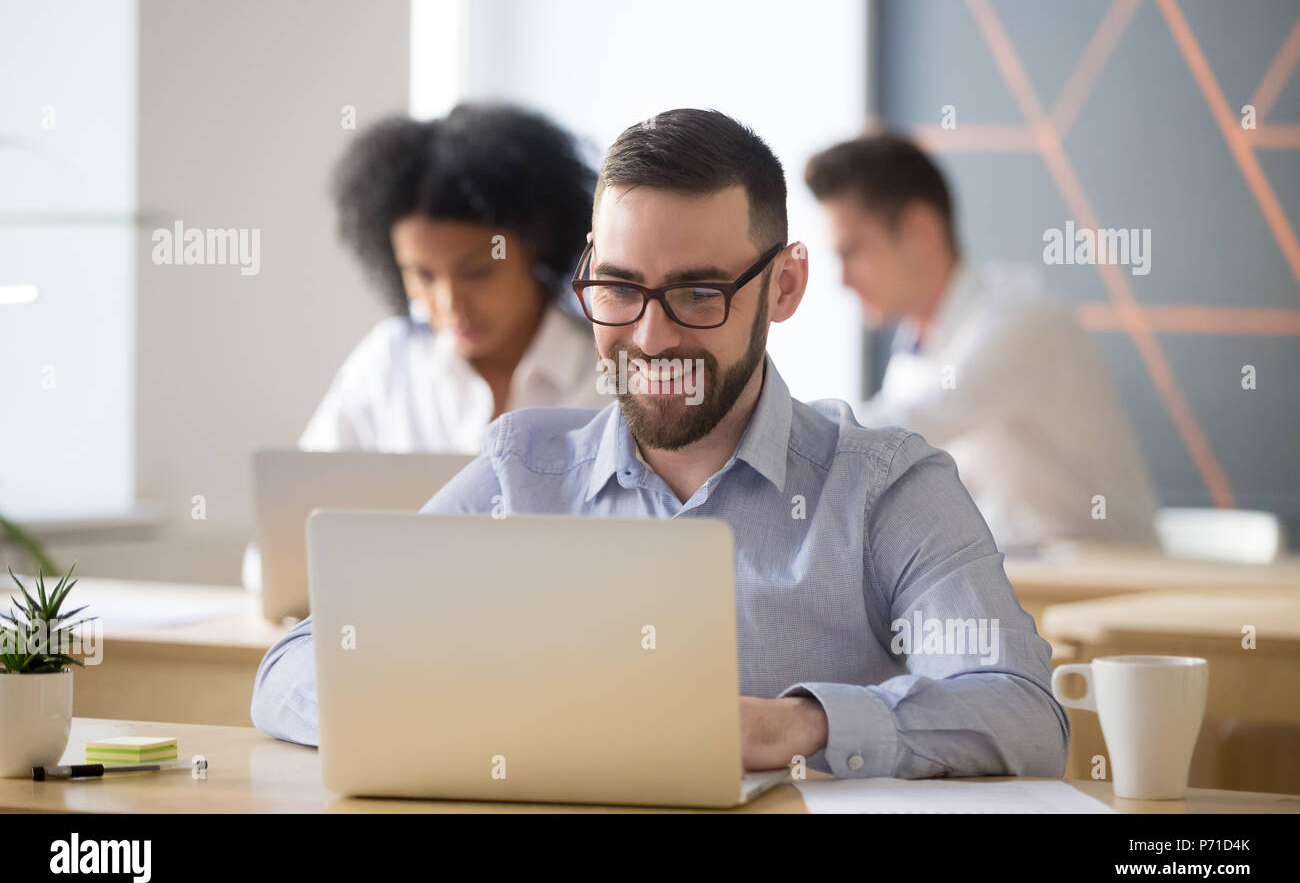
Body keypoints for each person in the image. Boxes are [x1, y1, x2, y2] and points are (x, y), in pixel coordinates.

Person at [251, 108, 1070, 781]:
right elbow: (293, 666)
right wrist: (478, 712)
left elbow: (1021, 711)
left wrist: (792, 726)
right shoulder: (521, 473)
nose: (649, 338)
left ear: (783, 286)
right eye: (617, 289)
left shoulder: (889, 488)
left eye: (699, 293)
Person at [243, 103, 607, 593]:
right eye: (422, 275)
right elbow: (278, 553)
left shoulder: (605, 369)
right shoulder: (388, 364)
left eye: (477, 271)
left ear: (538, 242)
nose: (450, 303)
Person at [806, 132, 1159, 551]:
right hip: (1024, 574)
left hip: (1107, 582)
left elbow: (917, 423)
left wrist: (781, 438)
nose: (843, 280)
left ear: (920, 231)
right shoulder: (913, 349)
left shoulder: (1021, 317)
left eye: (853, 252)